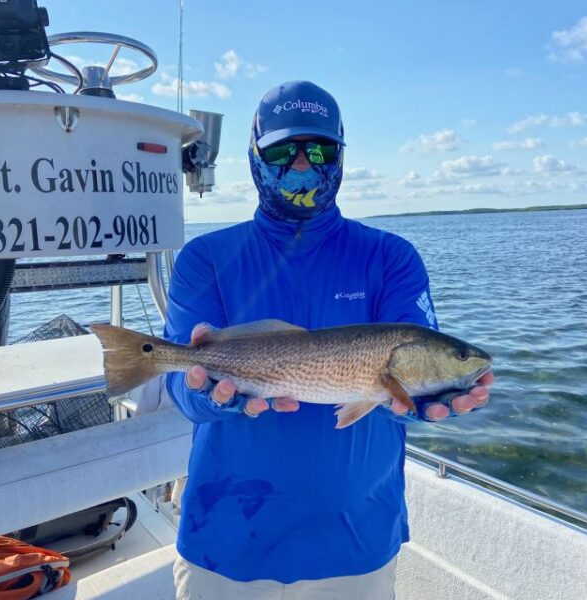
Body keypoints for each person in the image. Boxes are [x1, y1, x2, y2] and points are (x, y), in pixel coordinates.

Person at [155, 81, 493, 599]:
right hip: (225, 538)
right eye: (282, 151)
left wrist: (425, 399)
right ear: (254, 155)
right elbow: (185, 392)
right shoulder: (205, 258)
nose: (301, 165)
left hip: (356, 541)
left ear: (341, 153)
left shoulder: (391, 258)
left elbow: (410, 369)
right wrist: (210, 394)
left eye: (319, 151)